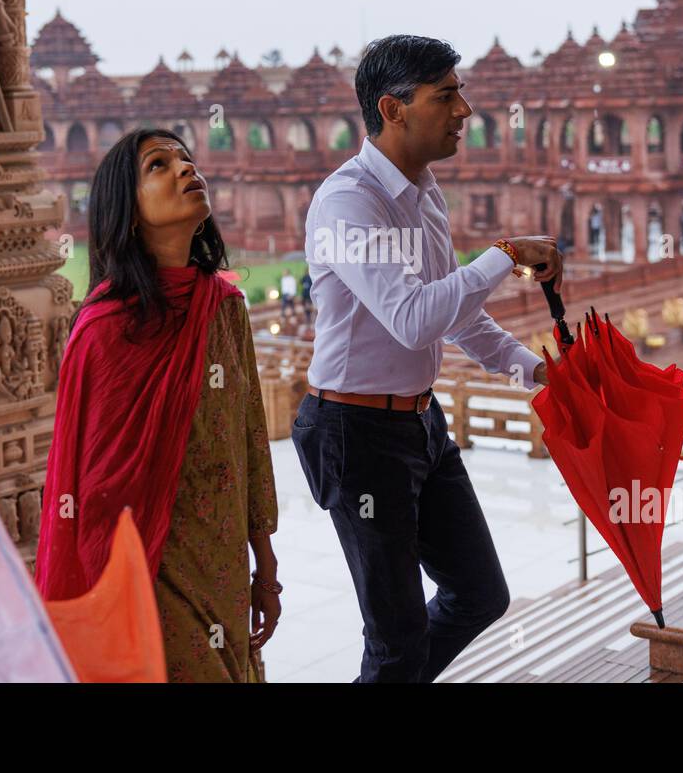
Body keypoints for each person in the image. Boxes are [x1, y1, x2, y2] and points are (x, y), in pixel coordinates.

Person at [293, 34, 563, 682]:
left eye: (459, 91)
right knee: (396, 637)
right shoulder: (348, 201)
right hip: (353, 432)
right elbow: (414, 320)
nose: (464, 109)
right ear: (394, 109)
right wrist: (505, 252)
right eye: (446, 95)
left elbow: (453, 311)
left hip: (419, 421)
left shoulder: (425, 190)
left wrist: (533, 368)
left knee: (479, 593)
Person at [35, 127, 280, 683]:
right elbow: (87, 482)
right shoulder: (104, 328)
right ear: (127, 210)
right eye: (158, 165)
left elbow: (250, 436)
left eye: (187, 159)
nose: (185, 169)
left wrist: (263, 563)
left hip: (221, 558)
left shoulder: (223, 306)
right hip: (148, 565)